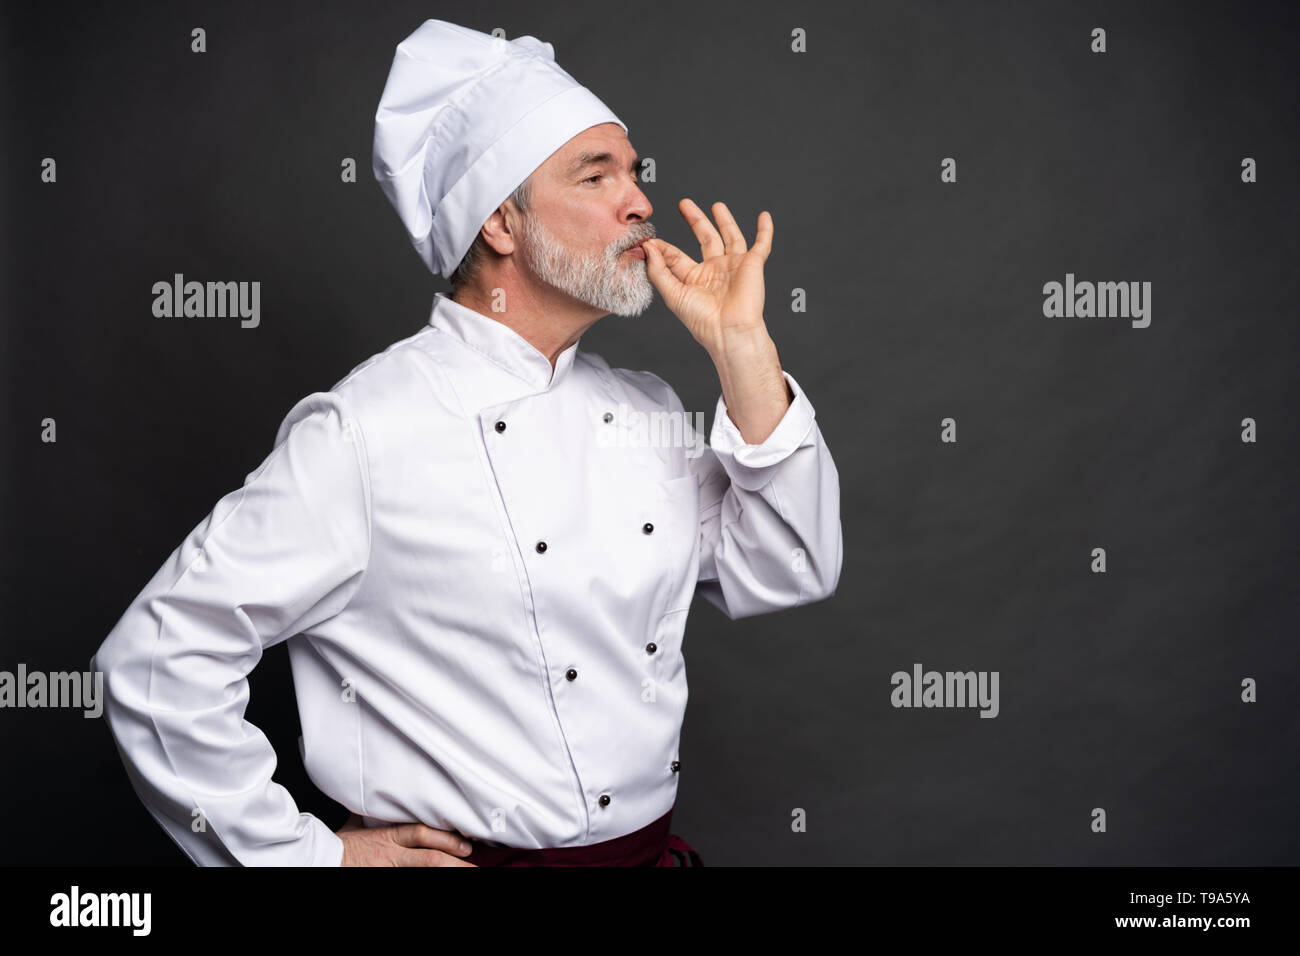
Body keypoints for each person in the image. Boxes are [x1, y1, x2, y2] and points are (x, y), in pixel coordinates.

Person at [90, 19, 843, 867]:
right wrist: (312, 860)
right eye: (596, 176)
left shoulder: (648, 410)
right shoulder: (367, 429)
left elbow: (791, 565)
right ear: (500, 226)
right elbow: (156, 661)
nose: (638, 201)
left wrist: (744, 349)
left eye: (634, 173)